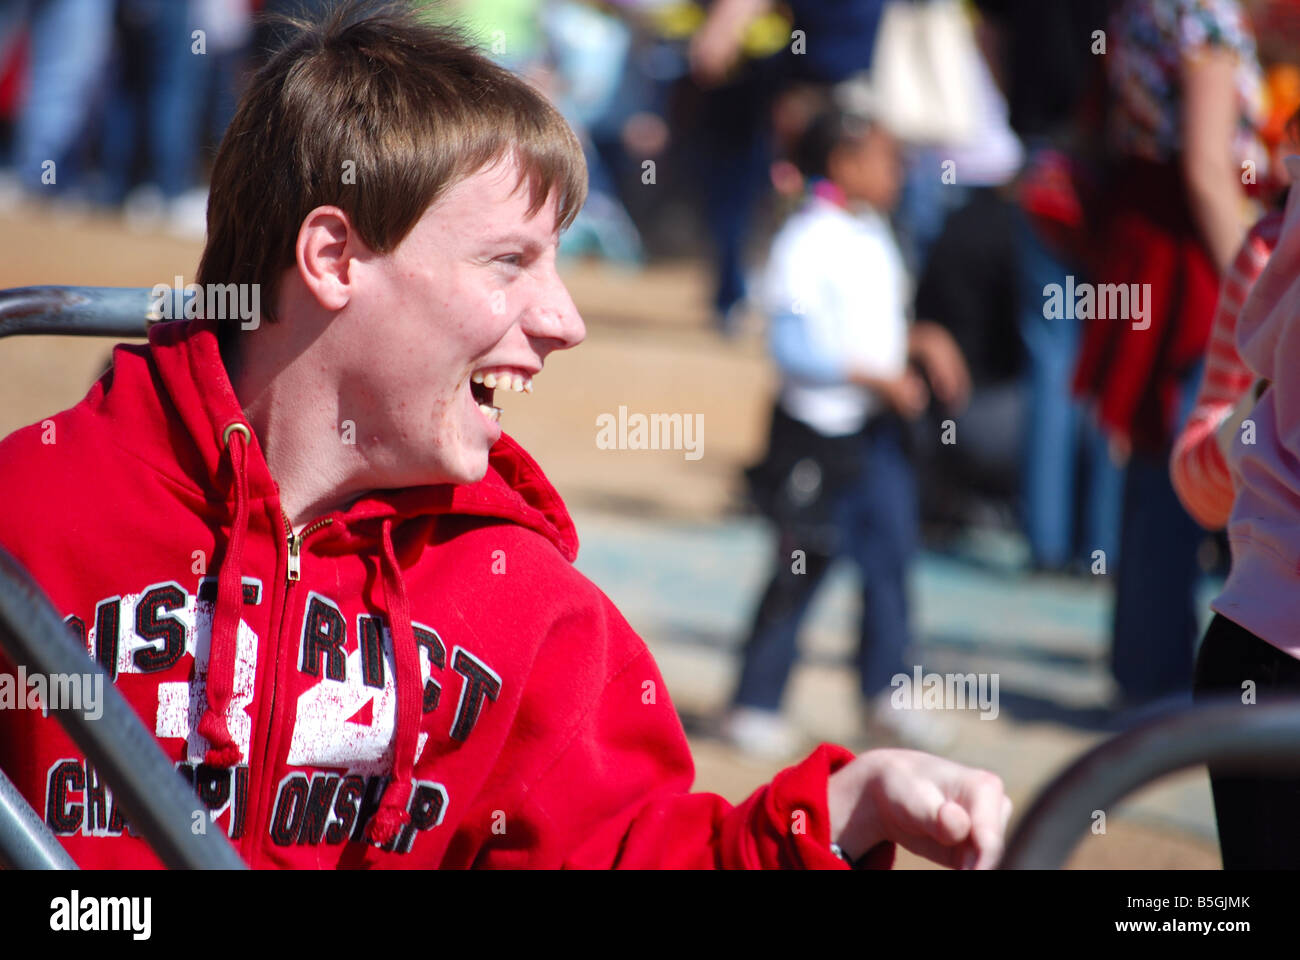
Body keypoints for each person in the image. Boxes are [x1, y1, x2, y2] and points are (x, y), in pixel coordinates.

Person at [0, 0, 1010, 870]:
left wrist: (830, 819)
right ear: (333, 258)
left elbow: (621, 851)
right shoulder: (33, 518)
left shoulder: (528, 611)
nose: (565, 321)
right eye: (508, 263)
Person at [724, 107, 970, 761]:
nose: (899, 172)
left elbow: (874, 325)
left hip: (876, 435)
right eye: (886, 160)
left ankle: (887, 695)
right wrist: (877, 379)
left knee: (891, 559)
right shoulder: (806, 240)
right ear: (843, 164)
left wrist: (921, 341)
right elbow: (793, 346)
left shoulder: (875, 232)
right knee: (802, 563)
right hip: (815, 435)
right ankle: (754, 701)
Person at [1072, 0, 1263, 707]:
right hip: (1188, 254)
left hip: (1148, 234)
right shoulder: (1202, 16)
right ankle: (1159, 675)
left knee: (1158, 458)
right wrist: (1261, 286)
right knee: (1188, 461)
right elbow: (1207, 169)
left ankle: (1143, 665)